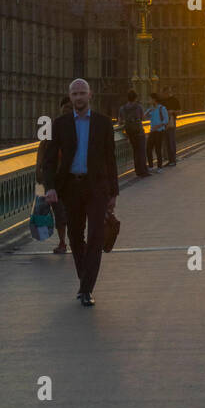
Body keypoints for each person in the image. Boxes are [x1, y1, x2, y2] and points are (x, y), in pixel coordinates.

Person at [42, 78, 119, 307]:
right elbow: (48, 160)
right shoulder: (59, 124)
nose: (78, 97)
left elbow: (110, 159)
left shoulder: (103, 123)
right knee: (76, 236)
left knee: (95, 236)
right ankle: (85, 280)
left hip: (96, 187)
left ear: (90, 95)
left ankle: (86, 289)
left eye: (82, 93)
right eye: (74, 94)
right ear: (70, 96)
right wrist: (50, 187)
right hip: (71, 187)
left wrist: (114, 191)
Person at [36, 95, 72, 253]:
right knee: (59, 213)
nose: (67, 111)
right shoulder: (51, 126)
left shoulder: (79, 126)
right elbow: (42, 148)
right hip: (56, 179)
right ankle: (62, 242)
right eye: (65, 108)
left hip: (73, 177)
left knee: (73, 212)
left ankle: (75, 240)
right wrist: (39, 170)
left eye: (70, 109)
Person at [118, 90, 149, 178]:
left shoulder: (122, 108)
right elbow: (143, 118)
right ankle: (143, 171)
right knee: (142, 152)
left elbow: (119, 122)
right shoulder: (138, 107)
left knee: (135, 152)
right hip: (139, 132)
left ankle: (137, 171)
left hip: (130, 133)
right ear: (135, 98)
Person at [147, 94, 169, 172]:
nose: (148, 100)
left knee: (158, 149)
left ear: (154, 99)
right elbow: (143, 117)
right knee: (148, 148)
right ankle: (150, 166)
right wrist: (148, 111)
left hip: (159, 131)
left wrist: (157, 126)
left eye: (150, 99)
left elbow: (166, 120)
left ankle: (160, 167)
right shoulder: (151, 109)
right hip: (152, 131)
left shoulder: (162, 108)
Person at [160, 87, 180, 165]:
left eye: (166, 93)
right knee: (166, 141)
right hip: (163, 123)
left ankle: (173, 159)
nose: (164, 95)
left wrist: (172, 112)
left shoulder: (174, 100)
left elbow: (179, 111)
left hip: (171, 122)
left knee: (171, 140)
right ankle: (168, 159)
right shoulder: (162, 101)